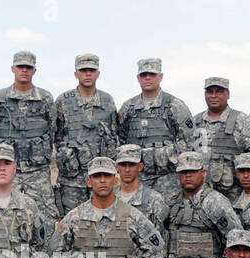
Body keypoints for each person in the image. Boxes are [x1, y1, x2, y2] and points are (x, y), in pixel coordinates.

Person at [0, 50, 61, 224]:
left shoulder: (46, 99)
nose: (24, 70)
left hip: (38, 171)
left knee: (46, 217)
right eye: (20, 67)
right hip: (7, 170)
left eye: (28, 67)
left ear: (34, 70)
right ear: (13, 68)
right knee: (2, 214)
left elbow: (53, 130)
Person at [116, 57, 195, 202]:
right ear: (138, 78)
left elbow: (190, 143)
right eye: (143, 75)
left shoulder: (175, 106)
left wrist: (157, 155)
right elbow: (119, 140)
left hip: (166, 180)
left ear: (160, 76)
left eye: (152, 74)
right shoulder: (128, 108)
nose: (147, 78)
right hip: (135, 180)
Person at [163, 152, 242, 258]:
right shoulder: (171, 202)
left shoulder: (215, 202)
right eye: (184, 172)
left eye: (192, 171)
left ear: (203, 172)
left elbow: (235, 239)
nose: (188, 176)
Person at [54, 53, 120, 215]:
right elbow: (55, 135)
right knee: (73, 222)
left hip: (101, 178)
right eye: (83, 70)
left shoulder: (107, 101)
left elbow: (115, 134)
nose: (88, 74)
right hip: (72, 180)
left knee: (103, 220)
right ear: (76, 73)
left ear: (98, 73)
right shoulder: (63, 101)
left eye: (92, 70)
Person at [191, 77, 250, 200]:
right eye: (210, 92)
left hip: (233, 195)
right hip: (200, 195)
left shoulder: (241, 120)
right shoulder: (195, 122)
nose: (214, 96)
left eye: (219, 91)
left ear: (228, 94)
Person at [113, 144, 170, 233]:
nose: (127, 170)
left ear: (140, 167)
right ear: (117, 167)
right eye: (123, 165)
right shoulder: (107, 197)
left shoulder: (154, 200)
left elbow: (158, 238)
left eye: (132, 165)